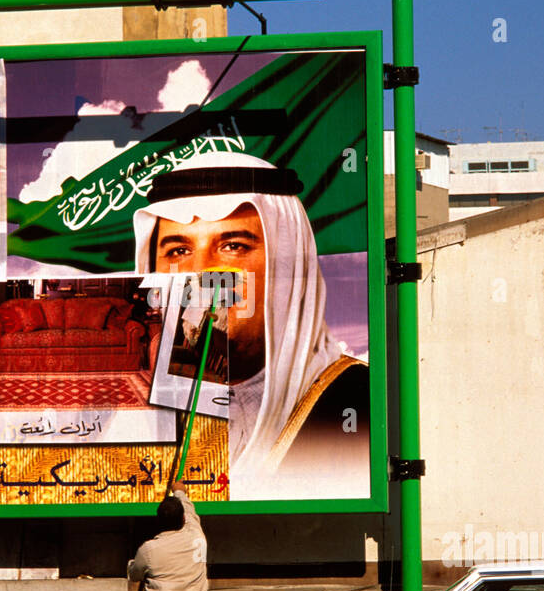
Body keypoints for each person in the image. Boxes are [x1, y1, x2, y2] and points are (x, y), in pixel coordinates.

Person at [132, 151, 369, 499]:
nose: (203, 274)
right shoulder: (132, 408)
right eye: (179, 252)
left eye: (232, 246)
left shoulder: (352, 397)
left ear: (286, 267)